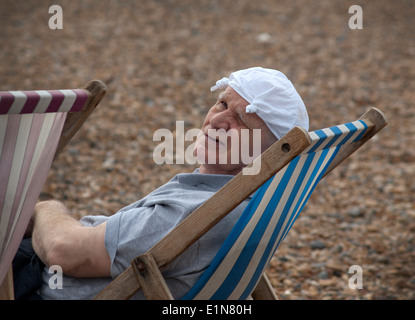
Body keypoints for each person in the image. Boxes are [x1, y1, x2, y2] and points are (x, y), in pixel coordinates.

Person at [14, 67, 309, 299]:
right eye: (221, 103)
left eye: (243, 121)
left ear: (271, 152)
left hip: (32, 284)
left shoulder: (200, 214)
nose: (218, 121)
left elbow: (63, 251)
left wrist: (44, 208)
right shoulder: (256, 204)